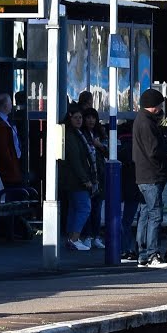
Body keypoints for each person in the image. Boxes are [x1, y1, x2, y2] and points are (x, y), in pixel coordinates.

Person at [133, 88, 167, 268]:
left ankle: (142, 255)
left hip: (143, 175)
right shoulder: (147, 123)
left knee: (144, 214)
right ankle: (153, 255)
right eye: (159, 105)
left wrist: (165, 138)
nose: (161, 108)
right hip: (152, 175)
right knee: (155, 215)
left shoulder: (140, 120)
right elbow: (154, 150)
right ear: (154, 106)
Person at [58, 104, 97, 252]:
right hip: (76, 180)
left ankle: (71, 238)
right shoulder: (72, 136)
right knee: (84, 208)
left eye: (80, 117)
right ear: (70, 118)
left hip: (72, 179)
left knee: (74, 209)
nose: (79, 120)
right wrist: (85, 179)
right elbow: (75, 160)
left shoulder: (76, 134)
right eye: (76, 118)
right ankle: (74, 238)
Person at [0, 93, 32, 239]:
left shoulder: (6, 122)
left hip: (12, 167)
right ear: (5, 105)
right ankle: (9, 229)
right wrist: (12, 164)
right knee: (12, 197)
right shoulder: (2, 125)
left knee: (14, 197)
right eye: (10, 103)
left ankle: (12, 228)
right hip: (9, 170)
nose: (12, 106)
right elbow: (4, 150)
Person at [79, 107, 109, 249]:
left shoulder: (100, 134)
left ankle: (96, 236)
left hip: (99, 175)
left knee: (97, 208)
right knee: (87, 208)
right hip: (88, 174)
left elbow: (109, 152)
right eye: (88, 117)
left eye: (93, 118)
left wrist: (99, 145)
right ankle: (87, 235)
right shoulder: (82, 135)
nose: (91, 120)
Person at [117, 117, 142, 263]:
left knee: (122, 221)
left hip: (120, 187)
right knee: (133, 219)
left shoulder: (119, 147)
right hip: (135, 187)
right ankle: (133, 249)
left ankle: (124, 249)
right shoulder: (138, 146)